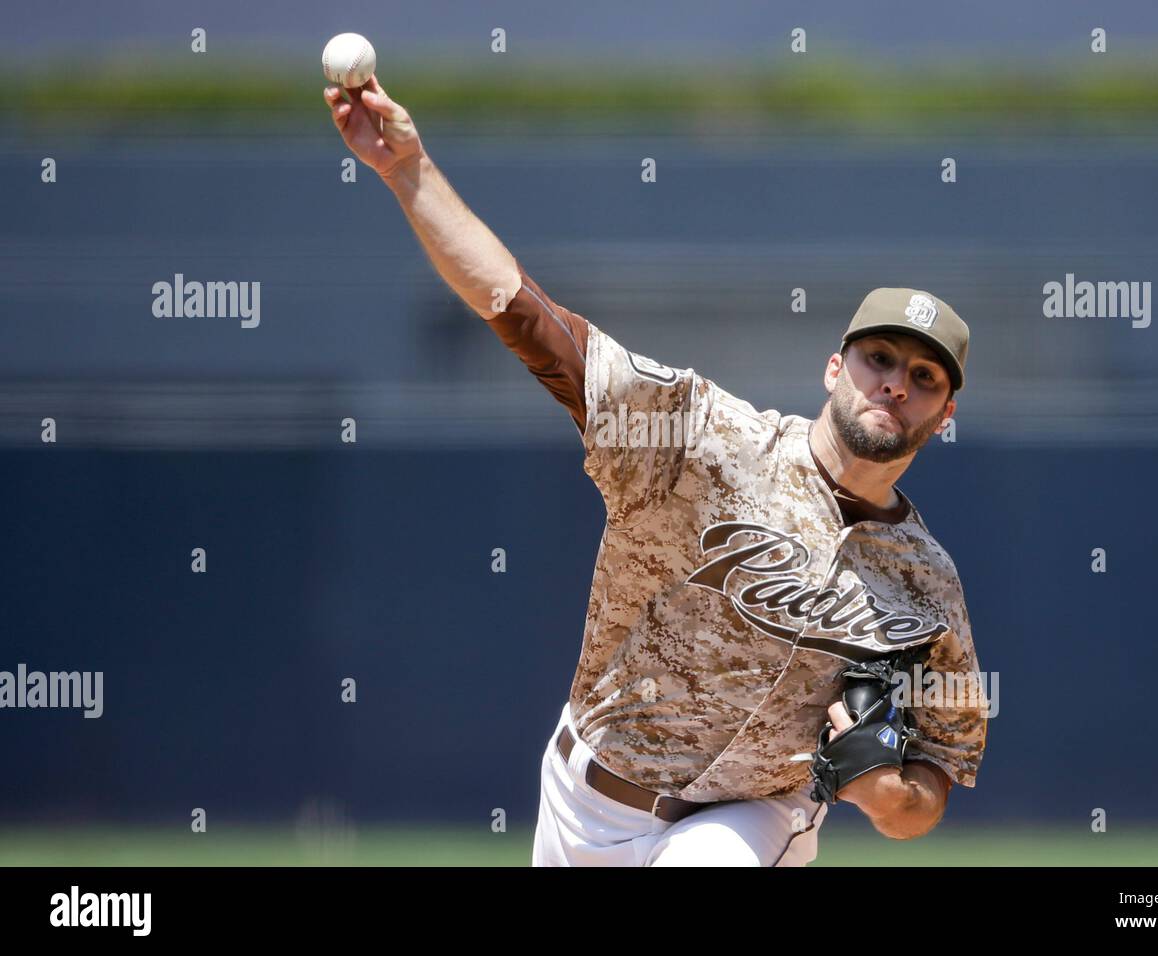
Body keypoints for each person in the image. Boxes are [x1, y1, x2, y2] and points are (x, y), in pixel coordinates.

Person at [325, 75, 988, 867]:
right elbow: (528, 319)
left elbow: (935, 779)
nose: (896, 385)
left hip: (753, 815)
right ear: (833, 368)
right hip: (584, 799)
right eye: (880, 359)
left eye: (925, 378)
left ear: (945, 415)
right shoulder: (701, 440)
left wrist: (885, 794)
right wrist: (409, 172)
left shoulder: (925, 588)